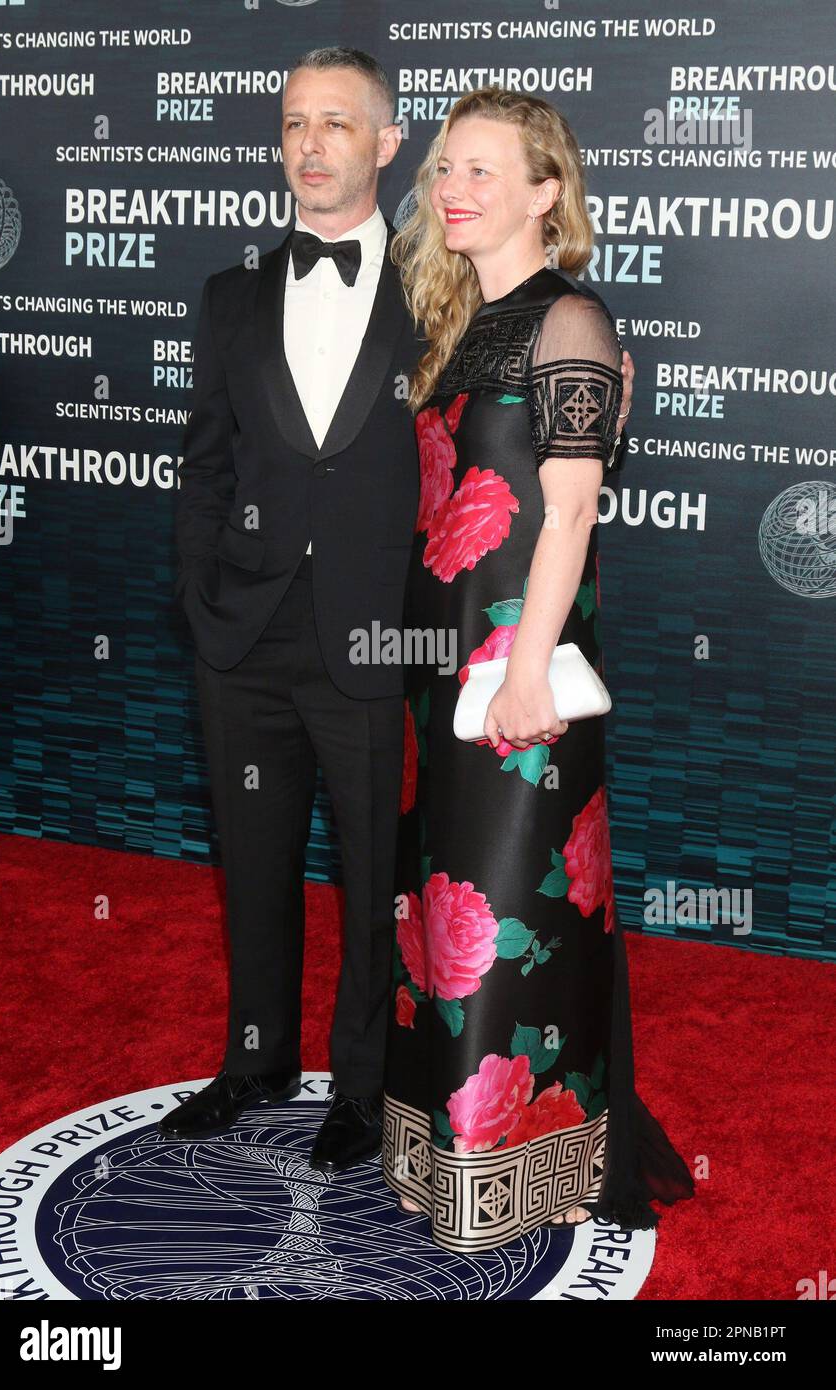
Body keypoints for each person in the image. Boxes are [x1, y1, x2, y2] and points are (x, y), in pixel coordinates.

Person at [164, 48, 634, 1177]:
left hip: (394, 647)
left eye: (337, 123)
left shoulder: (432, 298)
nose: (309, 143)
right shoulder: (234, 297)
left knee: (394, 885)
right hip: (247, 641)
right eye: (290, 124)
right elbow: (205, 471)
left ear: (383, 148)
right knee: (254, 860)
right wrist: (204, 604)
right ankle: (252, 1060)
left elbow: (543, 499)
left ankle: (368, 1092)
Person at [381, 87, 694, 1252]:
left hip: (518, 672)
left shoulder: (568, 320)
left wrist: (525, 669)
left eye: (481, 170)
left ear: (545, 192)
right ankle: (457, 1156)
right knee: (444, 911)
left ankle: (536, 1160)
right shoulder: (465, 321)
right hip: (442, 673)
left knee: (521, 907)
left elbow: (567, 516)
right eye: (445, 171)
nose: (453, 190)